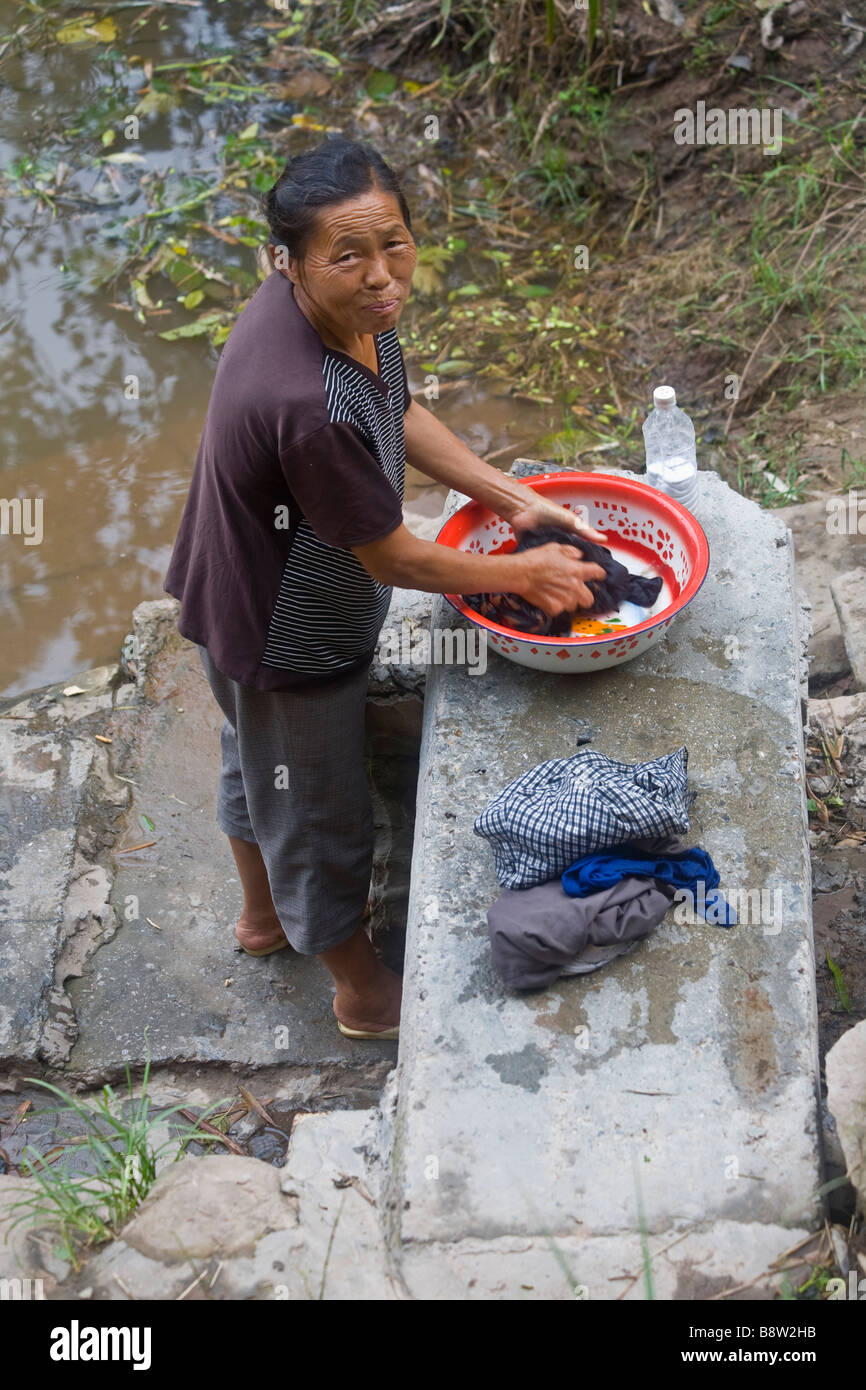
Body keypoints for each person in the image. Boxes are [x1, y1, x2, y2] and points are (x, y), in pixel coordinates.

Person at [164, 136, 606, 1039]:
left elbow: (397, 407)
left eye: (394, 244)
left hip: (235, 590)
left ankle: (261, 924)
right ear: (284, 259)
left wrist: (512, 496)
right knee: (321, 822)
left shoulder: (337, 313)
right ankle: (365, 997)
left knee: (260, 769)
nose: (381, 275)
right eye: (350, 255)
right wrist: (526, 572)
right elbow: (394, 559)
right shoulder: (308, 405)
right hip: (288, 633)